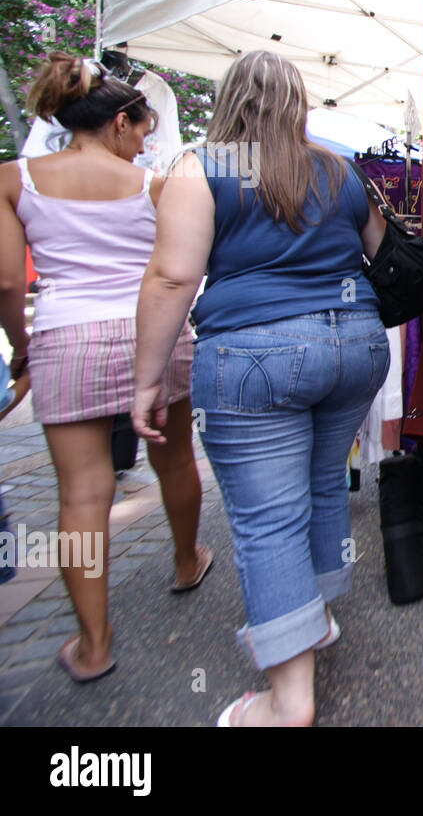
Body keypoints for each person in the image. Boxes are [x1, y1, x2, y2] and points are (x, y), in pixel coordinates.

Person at [132, 50, 389, 726]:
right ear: (297, 103)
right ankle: (316, 617)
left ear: (229, 101)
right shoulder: (339, 170)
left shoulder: (201, 167)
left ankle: (289, 701)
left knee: (268, 517)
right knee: (325, 484)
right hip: (356, 346)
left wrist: (146, 379)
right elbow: (378, 248)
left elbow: (170, 279)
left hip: (256, 355)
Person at [0, 52, 209, 683]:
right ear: (119, 122)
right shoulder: (154, 187)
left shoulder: (15, 180)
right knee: (173, 459)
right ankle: (184, 560)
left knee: (83, 495)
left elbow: (11, 281)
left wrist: (22, 351)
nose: (146, 143)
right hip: (154, 332)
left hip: (65, 338)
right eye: (142, 130)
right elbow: (175, 270)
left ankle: (94, 644)